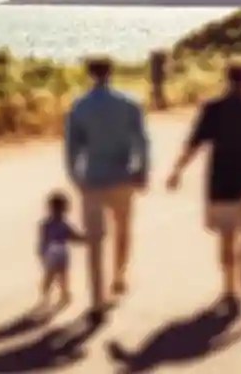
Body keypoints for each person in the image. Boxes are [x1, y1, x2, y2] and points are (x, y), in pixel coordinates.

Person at [166, 62, 241, 302]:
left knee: (227, 235)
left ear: (226, 79)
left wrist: (177, 170)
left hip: (221, 178)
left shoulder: (212, 108)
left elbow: (194, 143)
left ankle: (229, 286)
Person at [65, 56, 150, 315]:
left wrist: (76, 178)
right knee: (123, 228)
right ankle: (120, 275)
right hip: (122, 175)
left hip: (93, 178)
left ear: (89, 74)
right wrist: (142, 171)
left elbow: (72, 149)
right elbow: (141, 142)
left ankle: (97, 297)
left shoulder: (79, 106)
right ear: (112, 72)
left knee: (95, 240)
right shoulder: (129, 103)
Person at [37, 190, 85, 308]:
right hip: (58, 252)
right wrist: (85, 239)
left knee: (53, 274)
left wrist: (42, 252)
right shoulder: (61, 224)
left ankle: (54, 295)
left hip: (53, 252)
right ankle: (59, 295)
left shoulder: (46, 224)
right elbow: (73, 236)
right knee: (59, 274)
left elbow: (42, 241)